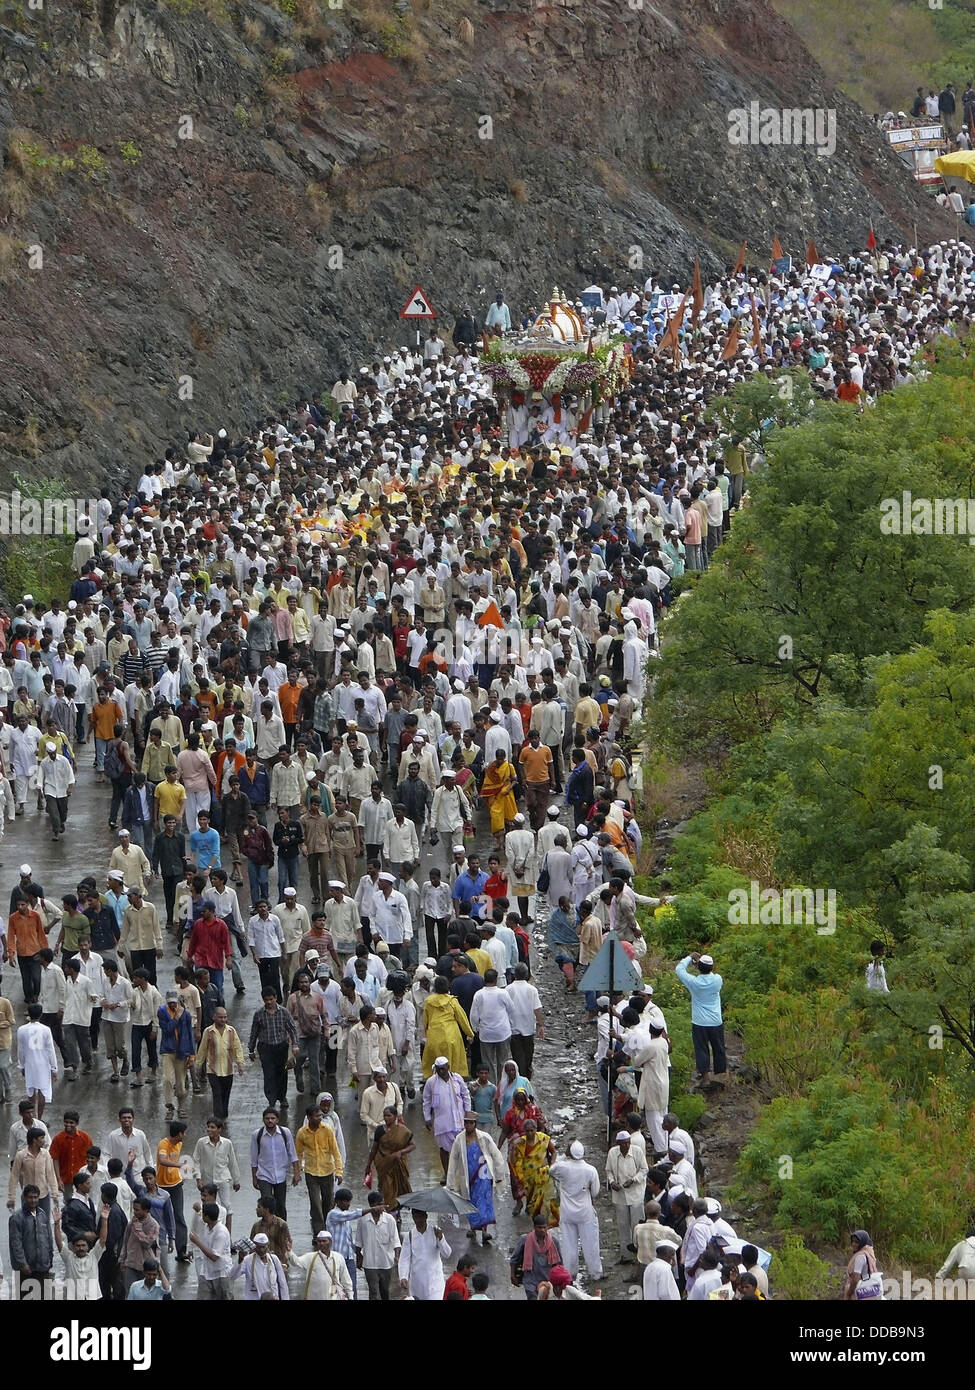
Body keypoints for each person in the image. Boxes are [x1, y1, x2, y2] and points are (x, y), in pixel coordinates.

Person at [445, 1111, 506, 1245]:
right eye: (466, 1122)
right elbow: (453, 1160)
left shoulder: (484, 1138)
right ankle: (473, 1228)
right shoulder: (459, 1140)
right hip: (468, 1177)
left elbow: (496, 1155)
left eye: (470, 1122)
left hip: (484, 1176)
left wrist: (499, 1175)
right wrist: (450, 1182)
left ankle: (484, 1231)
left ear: (475, 1124)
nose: (468, 1125)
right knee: (470, 1202)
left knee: (484, 1202)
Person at [549, 1139, 603, 1281]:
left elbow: (551, 1169)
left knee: (568, 1244)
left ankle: (570, 1274)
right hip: (585, 1212)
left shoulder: (563, 1168)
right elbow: (595, 1192)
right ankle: (595, 1273)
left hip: (567, 1212)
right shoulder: (591, 1170)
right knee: (590, 1243)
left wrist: (564, 1156)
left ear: (570, 1153)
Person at [675, 950, 725, 1084]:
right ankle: (720, 1074)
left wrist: (690, 958)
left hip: (699, 1021)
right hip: (715, 1020)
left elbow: (679, 969)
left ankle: (706, 1078)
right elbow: (711, 973)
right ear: (712, 968)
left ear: (698, 968)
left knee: (701, 1048)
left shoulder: (694, 983)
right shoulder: (717, 980)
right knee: (718, 1047)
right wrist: (700, 964)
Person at [296, 1104, 344, 1237]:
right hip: (311, 1173)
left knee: (328, 1203)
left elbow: (335, 1151)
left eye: (321, 1116)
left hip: (328, 1171)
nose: (320, 1118)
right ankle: (319, 1233)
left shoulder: (327, 1130)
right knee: (315, 1203)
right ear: (309, 1118)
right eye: (317, 1116)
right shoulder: (302, 1133)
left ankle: (328, 1230)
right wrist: (297, 1172)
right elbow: (298, 1154)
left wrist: (339, 1172)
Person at [422, 1056, 471, 1177]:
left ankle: (462, 1173)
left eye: (443, 1069)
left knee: (462, 1148)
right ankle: (447, 1173)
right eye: (438, 1069)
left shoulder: (457, 1079)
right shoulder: (431, 1082)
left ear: (448, 1067)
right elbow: (427, 1101)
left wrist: (468, 1113)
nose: (441, 1072)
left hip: (459, 1121)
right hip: (442, 1122)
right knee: (443, 1149)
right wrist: (427, 1118)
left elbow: (466, 1095)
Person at [606, 1131, 649, 1263]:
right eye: (623, 1143)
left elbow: (644, 1169)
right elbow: (608, 1171)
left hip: (636, 1194)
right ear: (618, 1144)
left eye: (628, 1142)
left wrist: (634, 1180)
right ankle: (625, 1255)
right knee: (623, 1225)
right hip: (620, 1195)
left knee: (637, 1225)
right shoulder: (613, 1153)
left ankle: (639, 1255)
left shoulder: (637, 1151)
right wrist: (612, 1182)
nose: (626, 1145)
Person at [250, 1107, 300, 1220]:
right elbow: (254, 1159)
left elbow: (292, 1154)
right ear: (263, 1120)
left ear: (277, 1120)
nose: (270, 1121)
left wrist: (297, 1173)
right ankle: (267, 1231)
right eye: (267, 1118)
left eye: (273, 1118)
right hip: (264, 1175)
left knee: (280, 1206)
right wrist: (254, 1178)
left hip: (281, 1175)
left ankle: (282, 1231)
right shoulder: (257, 1135)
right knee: (266, 1205)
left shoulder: (284, 1133)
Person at [509, 1118, 559, 1225]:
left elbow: (554, 1152)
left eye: (532, 1130)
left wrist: (552, 1165)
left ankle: (543, 1224)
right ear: (524, 1131)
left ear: (536, 1129)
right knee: (531, 1200)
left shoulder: (543, 1139)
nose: (530, 1133)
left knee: (543, 1201)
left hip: (543, 1175)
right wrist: (514, 1146)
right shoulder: (521, 1143)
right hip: (528, 1177)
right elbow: (513, 1161)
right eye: (527, 1131)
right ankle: (536, 1222)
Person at [421, 977, 473, 1079]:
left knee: (435, 1060)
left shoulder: (428, 1001)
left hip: (434, 1035)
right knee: (453, 1063)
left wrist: (426, 1034)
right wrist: (470, 1033)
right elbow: (462, 1018)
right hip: (451, 1035)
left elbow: (425, 1021)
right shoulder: (452, 1001)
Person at [365, 1105, 414, 1213]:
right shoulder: (379, 1130)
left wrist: (401, 1152)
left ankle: (396, 1212)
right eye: (385, 1116)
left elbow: (412, 1145)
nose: (386, 1118)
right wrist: (369, 1165)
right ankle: (390, 1211)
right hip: (383, 1164)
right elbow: (374, 1149)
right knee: (387, 1189)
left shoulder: (403, 1131)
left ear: (395, 1116)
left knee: (399, 1188)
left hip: (398, 1163)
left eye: (389, 1116)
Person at [355, 1190, 401, 1301]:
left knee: (385, 1291)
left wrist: (397, 1256)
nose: (382, 1206)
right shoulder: (363, 1220)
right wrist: (359, 1257)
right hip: (369, 1264)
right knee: (373, 1292)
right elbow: (358, 1242)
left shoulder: (389, 1220)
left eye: (383, 1203)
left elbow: (395, 1240)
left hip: (386, 1263)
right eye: (379, 1204)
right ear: (371, 1205)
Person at [16, 1005, 59, 1119]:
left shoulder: (21, 1030)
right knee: (42, 1091)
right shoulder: (46, 1029)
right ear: (41, 1014)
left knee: (31, 1091)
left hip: (29, 1063)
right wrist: (54, 1067)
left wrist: (21, 1065)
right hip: (43, 1064)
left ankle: (31, 1116)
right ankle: (38, 1118)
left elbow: (20, 1050)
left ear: (28, 1014)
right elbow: (50, 1049)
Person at [509, 1214, 563, 1300]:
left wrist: (560, 1282)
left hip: (547, 1281)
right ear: (534, 1227)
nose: (542, 1230)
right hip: (531, 1281)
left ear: (547, 1227)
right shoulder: (525, 1240)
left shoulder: (554, 1242)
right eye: (539, 1227)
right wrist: (512, 1275)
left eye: (544, 1227)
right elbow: (514, 1259)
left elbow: (559, 1264)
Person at [292, 1230, 354, 1300]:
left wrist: (350, 1296)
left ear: (330, 1242)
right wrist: (289, 1251)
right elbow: (295, 1262)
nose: (321, 1243)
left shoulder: (338, 1257)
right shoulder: (310, 1257)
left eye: (324, 1241)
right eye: (319, 1241)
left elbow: (346, 1280)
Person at [234, 1231, 289, 1300]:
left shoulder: (274, 1259)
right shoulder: (247, 1260)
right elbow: (233, 1276)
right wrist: (240, 1260)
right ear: (254, 1246)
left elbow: (282, 1283)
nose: (261, 1250)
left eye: (263, 1247)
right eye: (259, 1247)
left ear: (268, 1246)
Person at [843, 1229, 884, 1300]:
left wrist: (849, 1292)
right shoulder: (869, 1252)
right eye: (852, 1241)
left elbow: (855, 1279)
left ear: (862, 1242)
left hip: (861, 1289)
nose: (853, 1244)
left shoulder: (860, 1256)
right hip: (870, 1287)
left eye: (856, 1242)